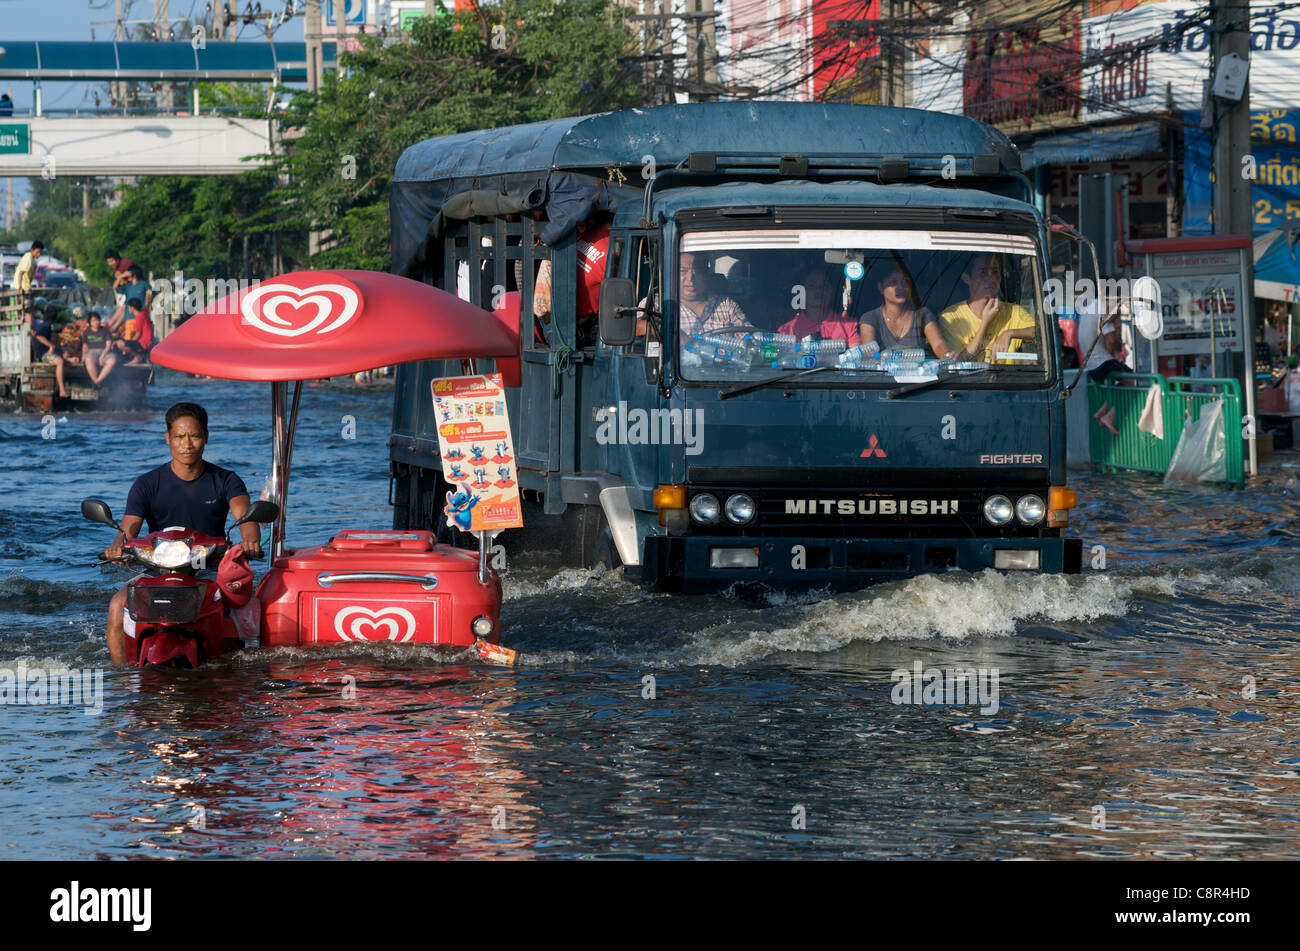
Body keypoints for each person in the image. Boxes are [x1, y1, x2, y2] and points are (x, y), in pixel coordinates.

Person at [102, 403, 263, 665]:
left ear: (206, 437)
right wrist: (118, 545)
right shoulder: (147, 483)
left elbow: (245, 517)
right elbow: (128, 529)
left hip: (208, 568)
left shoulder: (226, 480)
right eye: (179, 436)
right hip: (157, 569)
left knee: (238, 609)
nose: (187, 444)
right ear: (168, 438)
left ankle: (230, 677)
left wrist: (250, 540)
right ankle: (124, 678)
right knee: (117, 606)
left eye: (194, 436)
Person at [940, 253, 1036, 364]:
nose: (991, 278)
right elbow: (957, 364)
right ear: (967, 278)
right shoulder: (950, 318)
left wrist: (1010, 333)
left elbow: (1041, 332)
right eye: (983, 273)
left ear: (1000, 277)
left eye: (995, 272)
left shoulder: (1014, 312)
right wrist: (985, 324)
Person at [858, 263, 950, 355]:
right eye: (893, 282)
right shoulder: (870, 318)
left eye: (904, 282)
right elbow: (869, 355)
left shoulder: (922, 314)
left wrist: (947, 355)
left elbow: (938, 344)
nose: (900, 287)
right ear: (881, 287)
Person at [676, 251, 750, 342]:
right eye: (683, 271)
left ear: (706, 274)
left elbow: (749, 340)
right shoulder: (662, 306)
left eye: (697, 271)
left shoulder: (727, 305)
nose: (691, 277)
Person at [777, 267, 860, 344]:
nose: (818, 290)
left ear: (832, 291)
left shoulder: (849, 325)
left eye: (824, 286)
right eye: (812, 286)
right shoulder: (787, 331)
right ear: (802, 292)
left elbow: (857, 357)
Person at [28, 306, 69, 398]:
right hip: (43, 354)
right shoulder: (45, 326)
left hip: (45, 351)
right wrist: (51, 345)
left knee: (65, 353)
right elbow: (38, 336)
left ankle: (69, 359)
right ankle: (62, 390)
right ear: (54, 318)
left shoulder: (45, 325)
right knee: (60, 362)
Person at [82, 312, 116, 386]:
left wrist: (103, 355)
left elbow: (108, 345)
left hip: (105, 351)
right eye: (94, 320)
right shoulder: (86, 332)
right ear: (90, 322)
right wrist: (83, 357)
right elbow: (85, 346)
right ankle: (95, 380)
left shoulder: (105, 330)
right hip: (92, 352)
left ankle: (97, 380)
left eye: (97, 320)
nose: (96, 322)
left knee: (112, 361)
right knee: (88, 360)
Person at [12, 240, 42, 306]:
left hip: (25, 287)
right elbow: (21, 273)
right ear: (32, 250)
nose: (38, 254)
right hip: (23, 288)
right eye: (37, 252)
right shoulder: (28, 259)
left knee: (27, 308)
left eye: (40, 253)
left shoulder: (31, 258)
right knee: (29, 310)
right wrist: (20, 288)